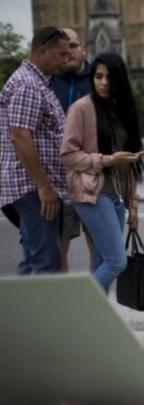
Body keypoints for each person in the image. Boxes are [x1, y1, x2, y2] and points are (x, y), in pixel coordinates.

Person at [60, 52, 143, 293]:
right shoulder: (81, 109)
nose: (104, 82)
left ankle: (94, 325)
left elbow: (131, 162)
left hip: (116, 197)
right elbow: (67, 154)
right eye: (98, 76)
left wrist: (133, 203)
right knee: (117, 261)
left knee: (101, 263)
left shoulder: (122, 111)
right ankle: (80, 308)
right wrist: (106, 160)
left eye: (109, 77)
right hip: (91, 194)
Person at [0, 26, 70, 274]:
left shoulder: (37, 83)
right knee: (45, 261)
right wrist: (44, 185)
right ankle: (38, 313)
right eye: (61, 54)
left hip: (33, 188)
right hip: (31, 189)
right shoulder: (28, 84)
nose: (66, 59)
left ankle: (24, 312)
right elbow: (20, 136)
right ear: (42, 51)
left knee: (33, 259)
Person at [52, 27, 94, 272]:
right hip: (58, 174)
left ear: (83, 49)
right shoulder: (49, 79)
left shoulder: (97, 78)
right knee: (59, 245)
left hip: (90, 172)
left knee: (95, 242)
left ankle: (94, 299)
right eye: (63, 48)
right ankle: (65, 302)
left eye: (73, 46)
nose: (68, 52)